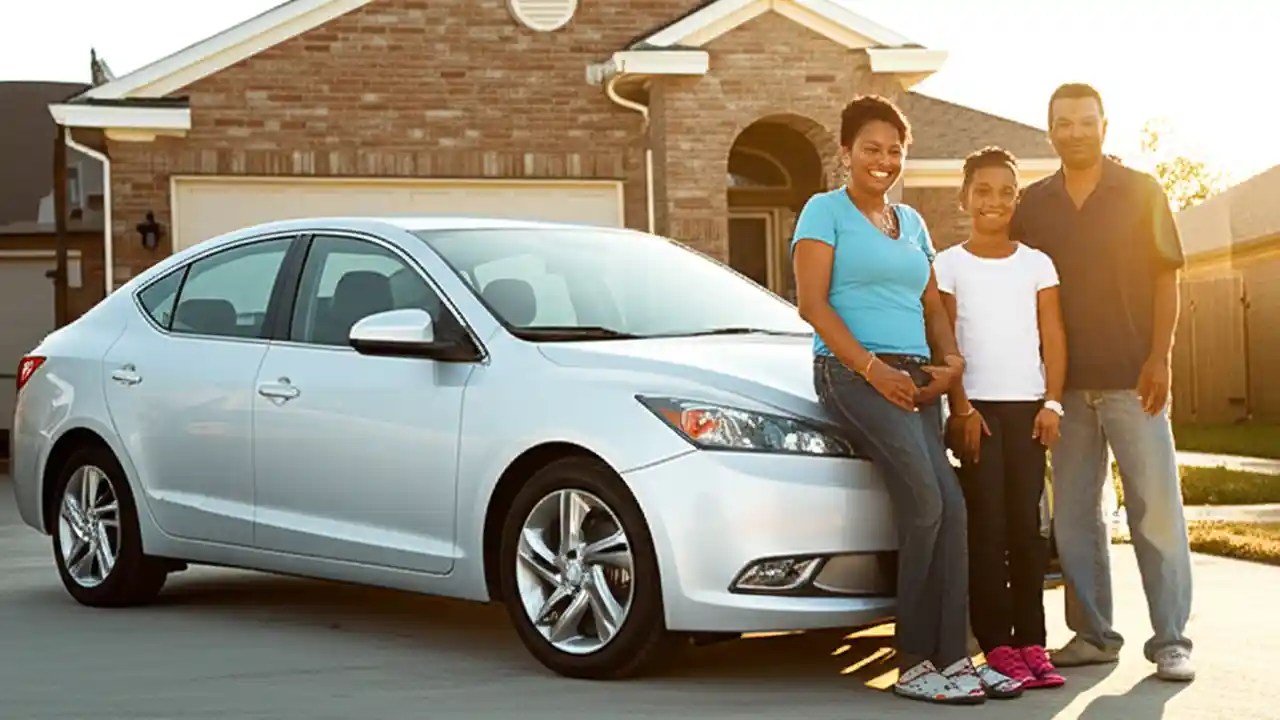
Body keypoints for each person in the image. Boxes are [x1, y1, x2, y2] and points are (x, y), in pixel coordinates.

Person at [791, 95, 1023, 705]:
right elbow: (812, 305)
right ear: (846, 152)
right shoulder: (824, 212)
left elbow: (930, 308)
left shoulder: (913, 223)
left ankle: (956, 657)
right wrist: (871, 370)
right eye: (871, 148)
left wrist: (950, 367)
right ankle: (914, 660)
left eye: (895, 151)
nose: (884, 160)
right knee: (924, 500)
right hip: (851, 372)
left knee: (951, 506)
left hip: (917, 377)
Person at [1011, 82, 1195, 682]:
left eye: (1085, 122)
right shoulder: (1034, 204)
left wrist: (1160, 356)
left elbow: (1167, 277)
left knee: (1156, 513)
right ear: (1050, 131)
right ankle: (1093, 634)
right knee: (1074, 518)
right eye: (1063, 123)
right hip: (1063, 388)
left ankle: (1171, 639)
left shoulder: (1142, 192)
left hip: (1132, 381)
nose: (1075, 132)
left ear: (1104, 125)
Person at [936, 146, 1068, 691]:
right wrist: (959, 408)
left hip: (1029, 410)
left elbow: (1053, 335)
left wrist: (1053, 403)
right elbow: (943, 342)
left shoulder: (1037, 263)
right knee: (986, 530)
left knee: (1027, 531)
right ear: (965, 196)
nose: (994, 201)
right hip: (978, 414)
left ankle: (1031, 641)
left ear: (1017, 199)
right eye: (983, 190)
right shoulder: (947, 264)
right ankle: (996, 645)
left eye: (1006, 192)